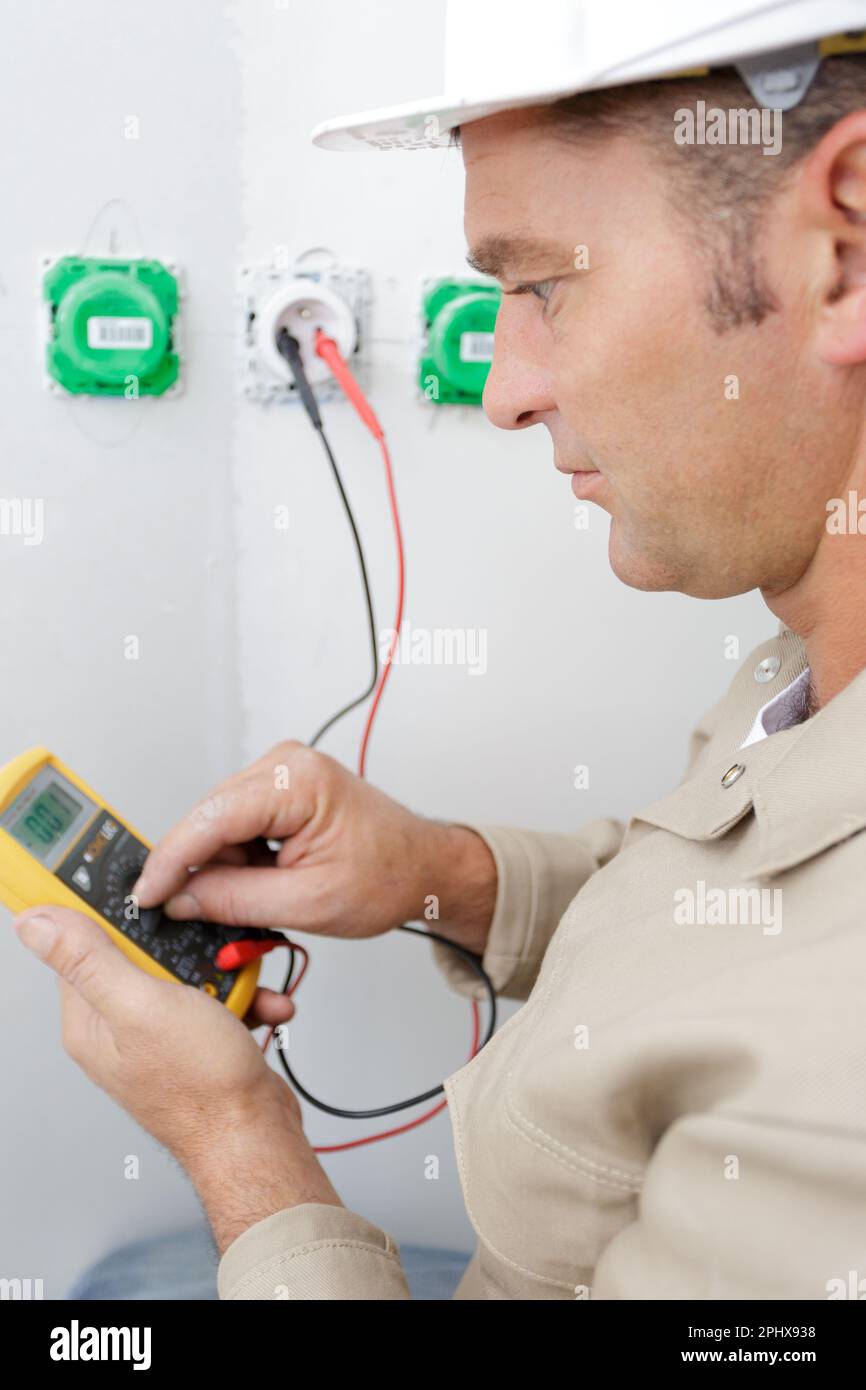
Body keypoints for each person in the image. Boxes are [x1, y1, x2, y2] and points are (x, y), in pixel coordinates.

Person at [15, 0, 866, 1299]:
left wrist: (240, 1150)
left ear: (844, 251)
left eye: (540, 286)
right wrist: (436, 875)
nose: (500, 387)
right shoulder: (806, 668)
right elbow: (726, 914)